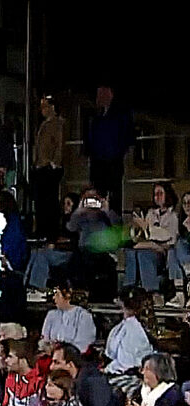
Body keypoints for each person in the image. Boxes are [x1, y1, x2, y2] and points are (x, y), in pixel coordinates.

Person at [123, 182, 179, 297]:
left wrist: (148, 232)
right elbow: (142, 236)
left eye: (160, 194)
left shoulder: (173, 216)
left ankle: (152, 292)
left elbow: (170, 240)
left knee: (144, 253)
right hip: (147, 246)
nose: (157, 197)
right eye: (155, 194)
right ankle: (129, 289)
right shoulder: (151, 213)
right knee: (131, 252)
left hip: (163, 253)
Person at [87, 85, 135, 213]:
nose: (98, 98)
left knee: (114, 194)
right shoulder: (96, 115)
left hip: (113, 160)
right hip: (98, 161)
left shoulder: (120, 113)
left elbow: (127, 134)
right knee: (97, 193)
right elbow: (91, 137)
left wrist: (119, 151)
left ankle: (114, 220)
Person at [33, 95, 65, 240]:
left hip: (49, 167)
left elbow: (59, 144)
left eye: (45, 106)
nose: (42, 110)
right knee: (40, 200)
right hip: (41, 166)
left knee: (50, 200)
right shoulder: (43, 125)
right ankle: (41, 229)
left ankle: (51, 231)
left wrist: (54, 163)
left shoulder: (57, 123)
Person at [103, 288, 153, 376]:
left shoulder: (133, 328)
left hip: (127, 375)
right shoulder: (124, 326)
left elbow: (126, 362)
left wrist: (108, 369)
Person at [40, 285, 96, 353]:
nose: (54, 298)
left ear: (67, 296)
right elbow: (44, 339)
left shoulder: (83, 316)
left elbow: (84, 344)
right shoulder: (51, 315)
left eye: (57, 295)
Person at [165, 190, 190, 307]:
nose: (187, 206)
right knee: (172, 251)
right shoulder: (182, 222)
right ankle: (179, 295)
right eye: (184, 203)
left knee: (179, 243)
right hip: (185, 260)